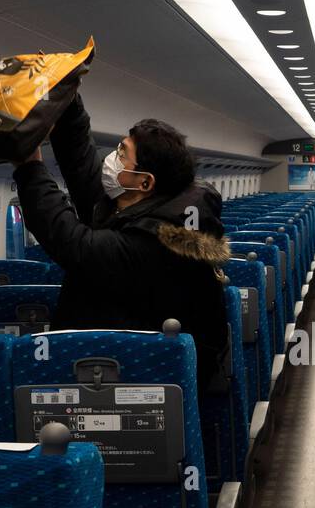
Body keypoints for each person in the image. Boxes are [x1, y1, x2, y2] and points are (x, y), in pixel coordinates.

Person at [12, 95, 230, 390]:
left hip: (141, 381)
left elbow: (70, 242)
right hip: (112, 366)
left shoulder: (158, 242)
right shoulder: (130, 205)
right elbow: (81, 166)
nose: (112, 158)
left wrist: (29, 165)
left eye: (122, 153)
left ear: (145, 182)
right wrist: (65, 98)